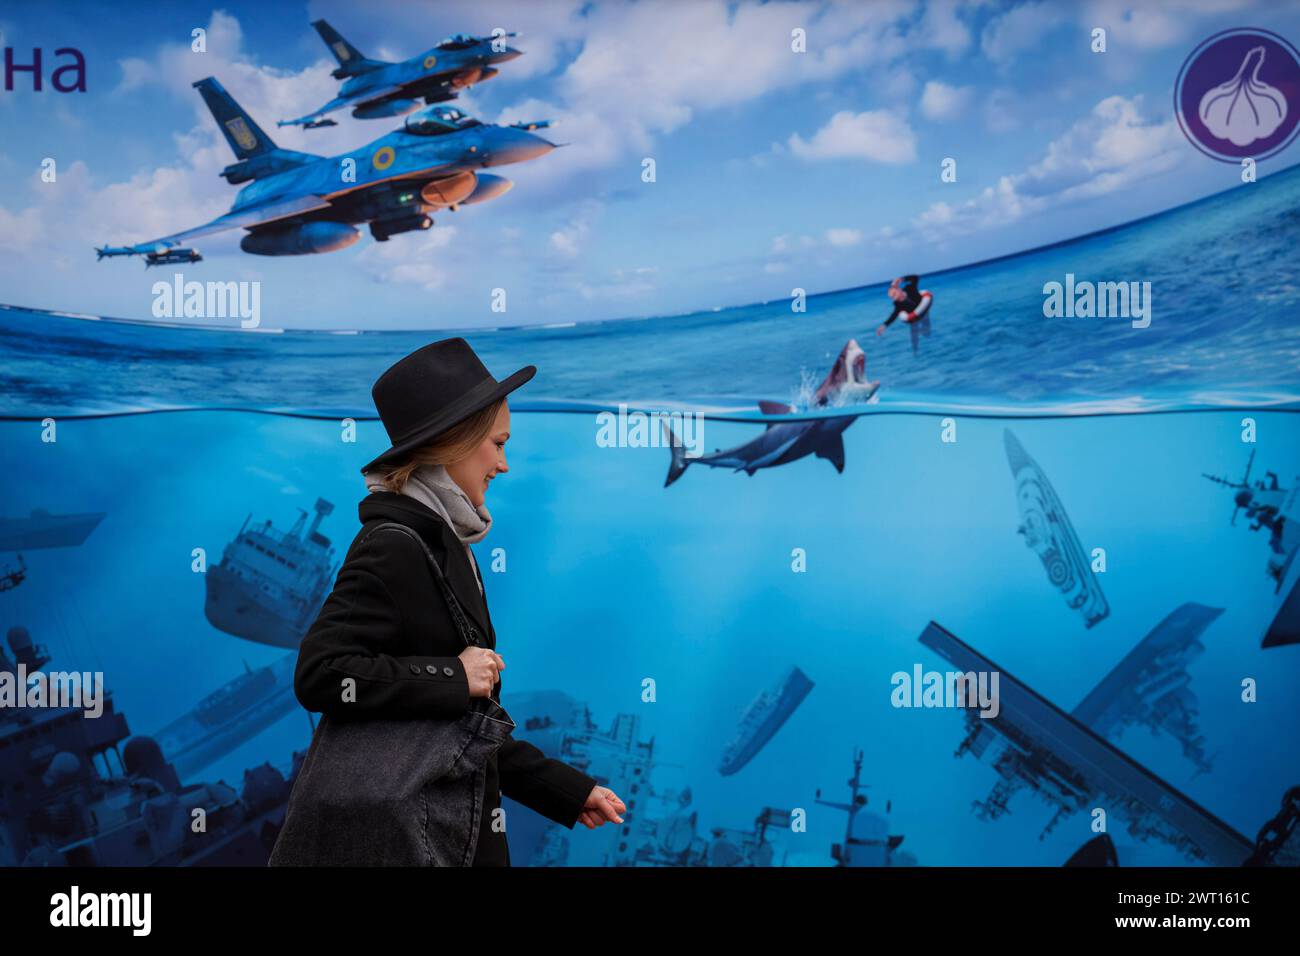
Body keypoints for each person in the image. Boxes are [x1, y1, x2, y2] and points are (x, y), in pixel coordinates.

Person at [292, 337, 626, 866]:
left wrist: (567, 790)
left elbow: (468, 725)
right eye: (498, 443)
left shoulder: (442, 543)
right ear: (455, 442)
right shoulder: (395, 546)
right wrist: (451, 675)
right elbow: (321, 673)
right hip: (415, 845)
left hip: (443, 839)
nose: (505, 463)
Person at [875, 274, 934, 354]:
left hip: (923, 304)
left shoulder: (909, 288)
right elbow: (893, 315)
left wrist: (902, 279)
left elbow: (915, 278)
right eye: (892, 297)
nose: (894, 298)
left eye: (894, 294)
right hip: (915, 316)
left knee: (926, 324)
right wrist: (884, 326)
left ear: (899, 290)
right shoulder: (898, 304)